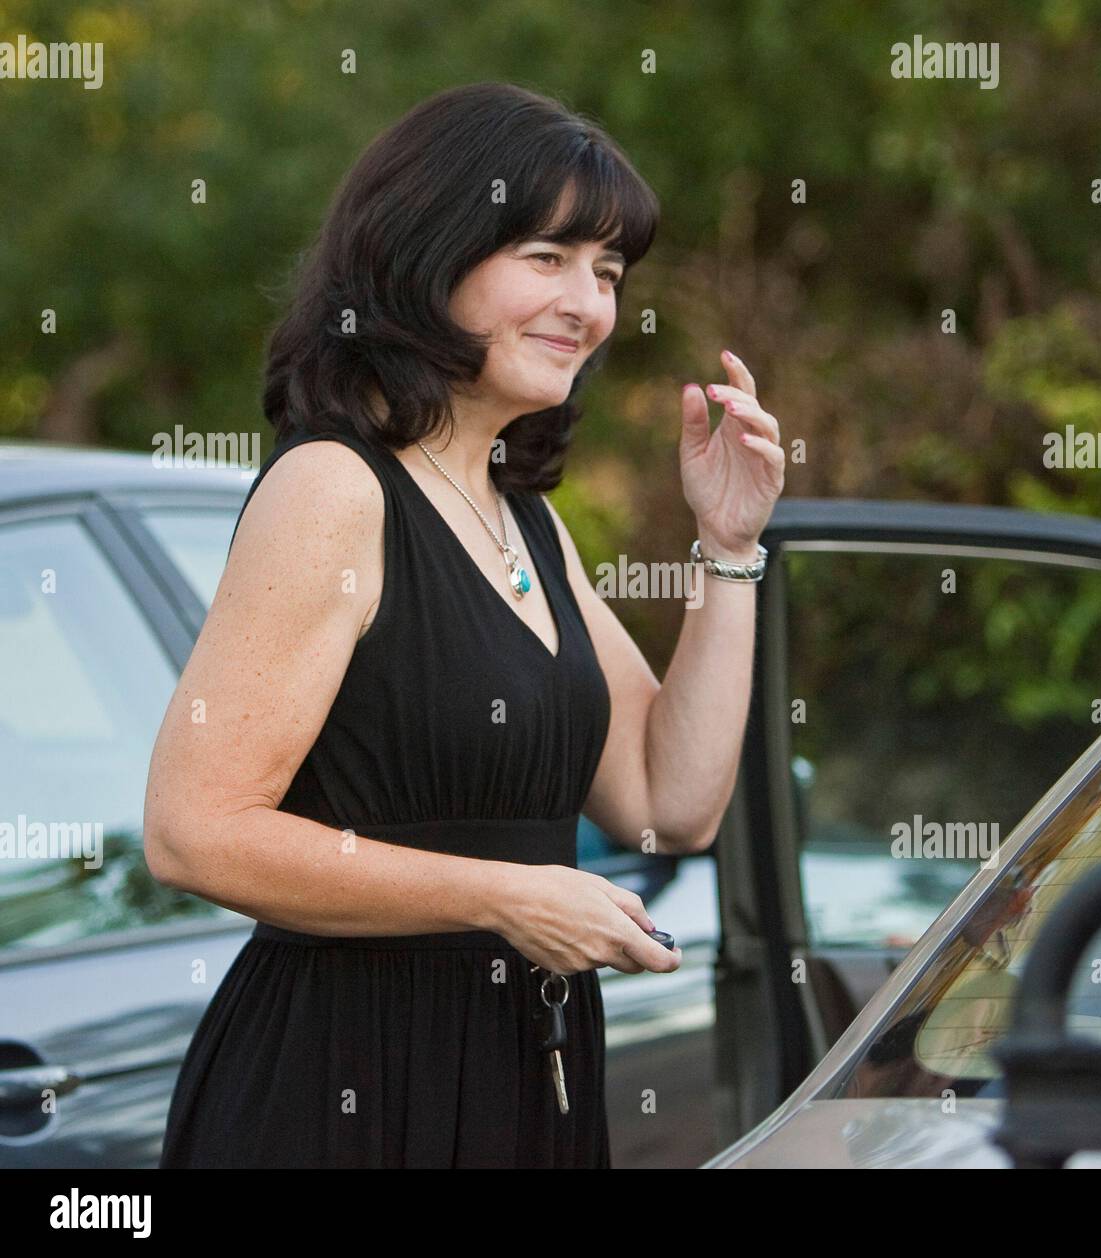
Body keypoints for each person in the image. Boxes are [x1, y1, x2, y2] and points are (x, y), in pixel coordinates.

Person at [143, 80, 785, 1169]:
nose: (587, 304)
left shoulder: (522, 519)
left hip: (518, 1070)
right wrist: (502, 899)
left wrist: (725, 548)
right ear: (427, 253)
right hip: (347, 1080)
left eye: (609, 272)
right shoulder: (335, 491)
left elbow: (668, 805)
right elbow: (192, 830)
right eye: (547, 257)